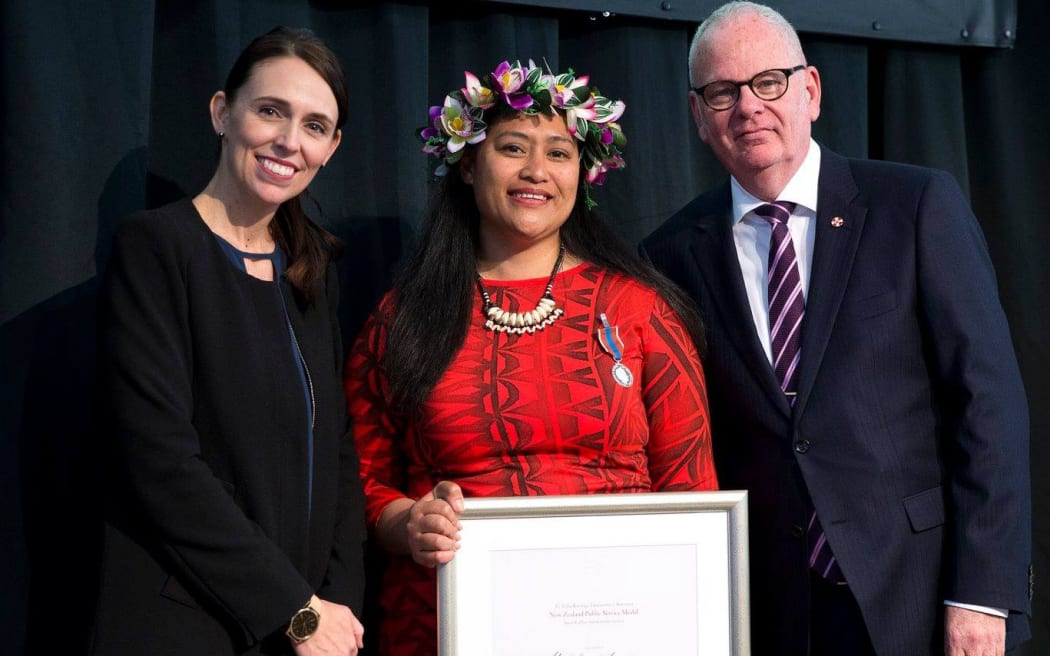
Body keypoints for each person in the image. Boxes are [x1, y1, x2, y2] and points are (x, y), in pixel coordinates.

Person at [640, 2, 1031, 655]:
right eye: (722, 92)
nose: (748, 107)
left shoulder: (915, 205)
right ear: (698, 118)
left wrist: (981, 594)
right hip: (767, 610)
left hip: (924, 599)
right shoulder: (671, 254)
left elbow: (988, 407)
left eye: (769, 82)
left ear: (811, 90)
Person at [344, 59, 719, 656]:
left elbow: (694, 498)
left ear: (584, 173)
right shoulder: (403, 318)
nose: (536, 172)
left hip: (622, 628)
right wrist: (410, 524)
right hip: (449, 626)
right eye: (513, 147)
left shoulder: (641, 311)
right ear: (468, 163)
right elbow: (362, 485)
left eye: (559, 153)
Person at [92, 27, 366, 655]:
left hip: (307, 631)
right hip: (187, 625)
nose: (289, 141)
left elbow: (339, 452)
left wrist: (338, 601)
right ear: (222, 111)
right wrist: (296, 611)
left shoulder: (311, 266)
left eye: (315, 125)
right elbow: (159, 463)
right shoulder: (157, 247)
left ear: (332, 147)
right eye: (271, 111)